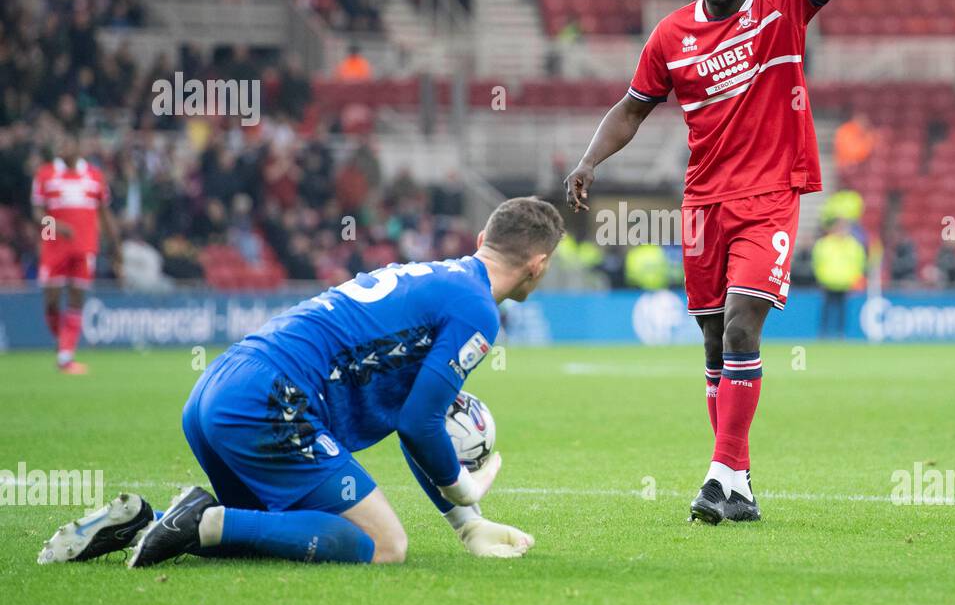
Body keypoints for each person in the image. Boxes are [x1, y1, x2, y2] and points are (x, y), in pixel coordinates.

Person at [564, 0, 868, 524]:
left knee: (739, 329)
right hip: (703, 203)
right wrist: (588, 161)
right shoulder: (671, 36)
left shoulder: (781, 6)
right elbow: (633, 109)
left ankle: (717, 476)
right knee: (710, 339)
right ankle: (740, 484)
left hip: (769, 199)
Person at [39, 197, 565, 567]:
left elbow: (413, 419)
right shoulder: (477, 310)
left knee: (276, 532)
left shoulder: (439, 277)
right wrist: (463, 486)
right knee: (382, 545)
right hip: (272, 401)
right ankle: (201, 521)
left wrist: (465, 522)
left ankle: (147, 522)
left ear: (481, 241)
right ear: (538, 266)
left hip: (219, 388)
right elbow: (423, 422)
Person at [30, 131, 120, 373]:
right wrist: (54, 226)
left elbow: (104, 213)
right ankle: (62, 344)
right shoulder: (45, 174)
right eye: (59, 142)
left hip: (85, 247)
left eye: (67, 141)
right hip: (53, 245)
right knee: (51, 300)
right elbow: (37, 212)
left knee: (76, 299)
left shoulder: (94, 175)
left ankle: (65, 356)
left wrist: (115, 245)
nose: (62, 146)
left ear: (78, 146)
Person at [812, 218, 866, 337]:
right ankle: (823, 333)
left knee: (842, 310)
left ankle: (840, 334)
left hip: (845, 283)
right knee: (826, 309)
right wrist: (821, 278)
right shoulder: (824, 243)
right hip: (828, 282)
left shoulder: (853, 245)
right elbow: (817, 262)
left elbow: (859, 263)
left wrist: (854, 279)